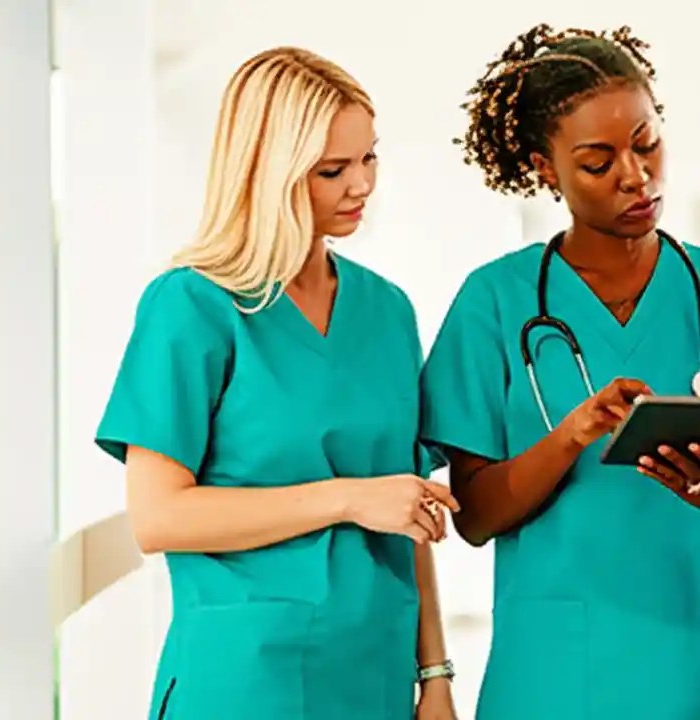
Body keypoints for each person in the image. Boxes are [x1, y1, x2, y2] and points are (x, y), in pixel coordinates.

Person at [421, 24, 700, 720]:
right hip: (557, 665)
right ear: (542, 167)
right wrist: (572, 435)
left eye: (647, 143)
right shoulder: (496, 302)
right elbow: (476, 516)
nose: (636, 176)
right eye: (598, 161)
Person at [93, 47, 460, 720]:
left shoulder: (387, 312)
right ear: (269, 171)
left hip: (373, 676)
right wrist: (346, 499)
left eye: (369, 158)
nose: (362, 186)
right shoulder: (192, 306)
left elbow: (407, 508)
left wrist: (435, 676)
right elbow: (158, 517)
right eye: (332, 170)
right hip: (244, 680)